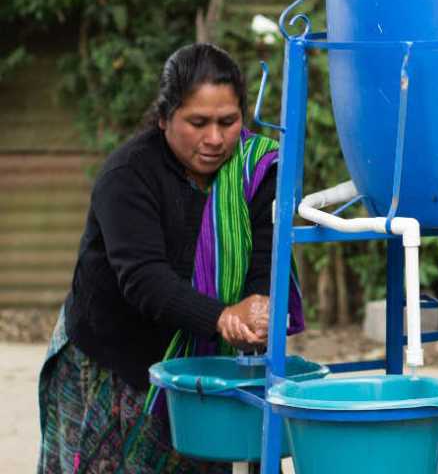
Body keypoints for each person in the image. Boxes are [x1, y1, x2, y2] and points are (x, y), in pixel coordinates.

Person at [37, 43, 304, 473]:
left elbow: (265, 259)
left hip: (197, 368)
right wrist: (223, 318)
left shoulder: (257, 172)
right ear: (164, 119)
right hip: (111, 357)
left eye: (228, 122)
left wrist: (257, 308)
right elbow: (144, 278)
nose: (215, 139)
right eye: (197, 123)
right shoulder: (128, 176)